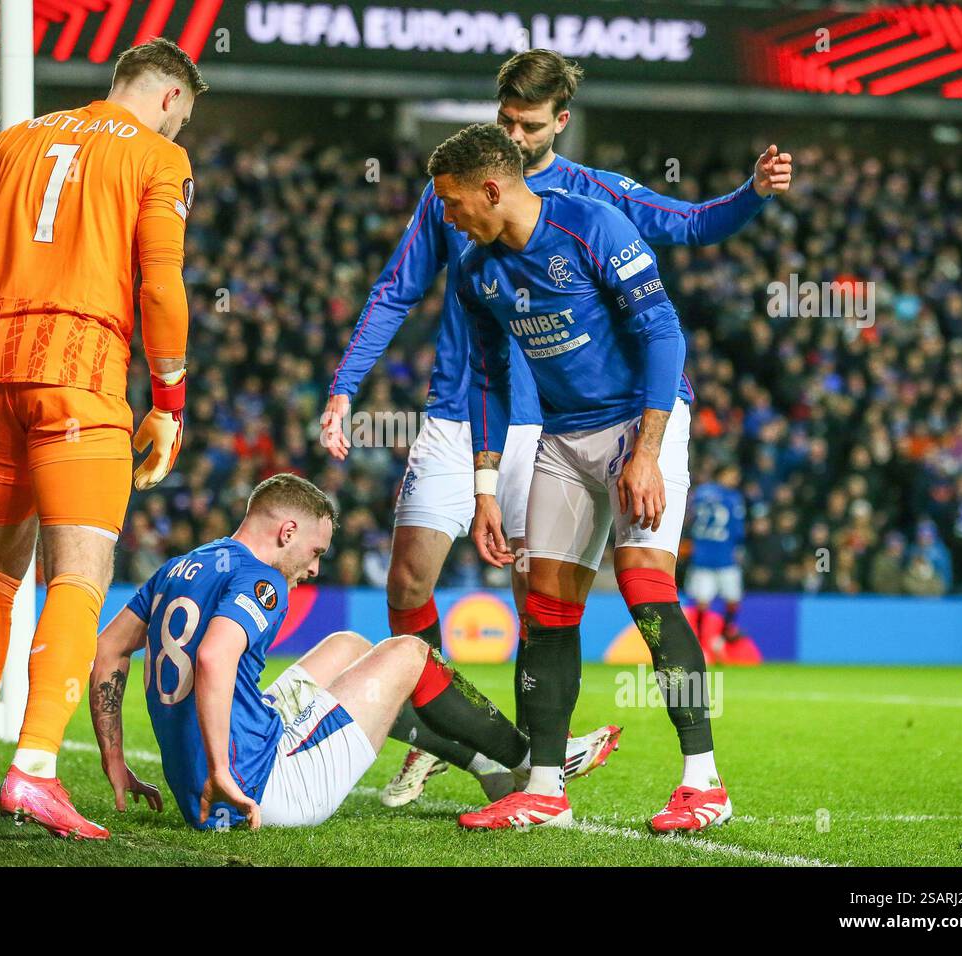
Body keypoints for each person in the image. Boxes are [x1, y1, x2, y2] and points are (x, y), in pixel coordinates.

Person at [321, 48, 791, 807]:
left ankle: (700, 779)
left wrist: (753, 193)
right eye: (504, 118)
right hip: (529, 429)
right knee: (531, 602)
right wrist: (356, 396)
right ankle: (532, 779)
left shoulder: (592, 209)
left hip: (624, 420)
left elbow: (689, 243)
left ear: (557, 126)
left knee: (639, 587)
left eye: (528, 123)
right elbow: (453, 346)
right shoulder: (463, 227)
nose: (514, 131)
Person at [0, 38, 206, 839]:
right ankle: (33, 769)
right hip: (80, 375)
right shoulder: (155, 159)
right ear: (171, 100)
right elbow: (161, 284)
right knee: (78, 573)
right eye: (184, 116)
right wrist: (169, 399)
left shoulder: (18, 138)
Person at [435, 123, 726, 833]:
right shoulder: (476, 272)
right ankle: (543, 789)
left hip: (640, 421)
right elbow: (488, 380)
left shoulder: (593, 224)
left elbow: (664, 334)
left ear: (492, 188)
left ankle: (704, 785)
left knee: (646, 588)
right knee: (545, 610)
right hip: (562, 439)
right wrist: (483, 489)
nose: (446, 215)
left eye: (451, 201)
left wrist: (648, 452)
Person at [89, 474, 617, 830]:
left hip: (208, 789)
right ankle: (533, 758)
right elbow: (213, 659)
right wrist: (225, 774)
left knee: (349, 647)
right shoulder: (262, 581)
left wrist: (114, 759)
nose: (315, 568)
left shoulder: (182, 567)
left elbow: (109, 648)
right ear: (286, 531)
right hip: (258, 791)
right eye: (315, 552)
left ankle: (487, 765)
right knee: (409, 652)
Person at [685, 463, 747, 651]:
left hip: (702, 555)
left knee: (706, 602)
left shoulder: (700, 493)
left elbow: (689, 519)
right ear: (722, 474)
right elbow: (738, 531)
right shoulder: (733, 497)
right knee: (729, 600)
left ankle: (705, 641)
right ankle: (718, 637)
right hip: (724, 556)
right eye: (732, 474)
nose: (735, 480)